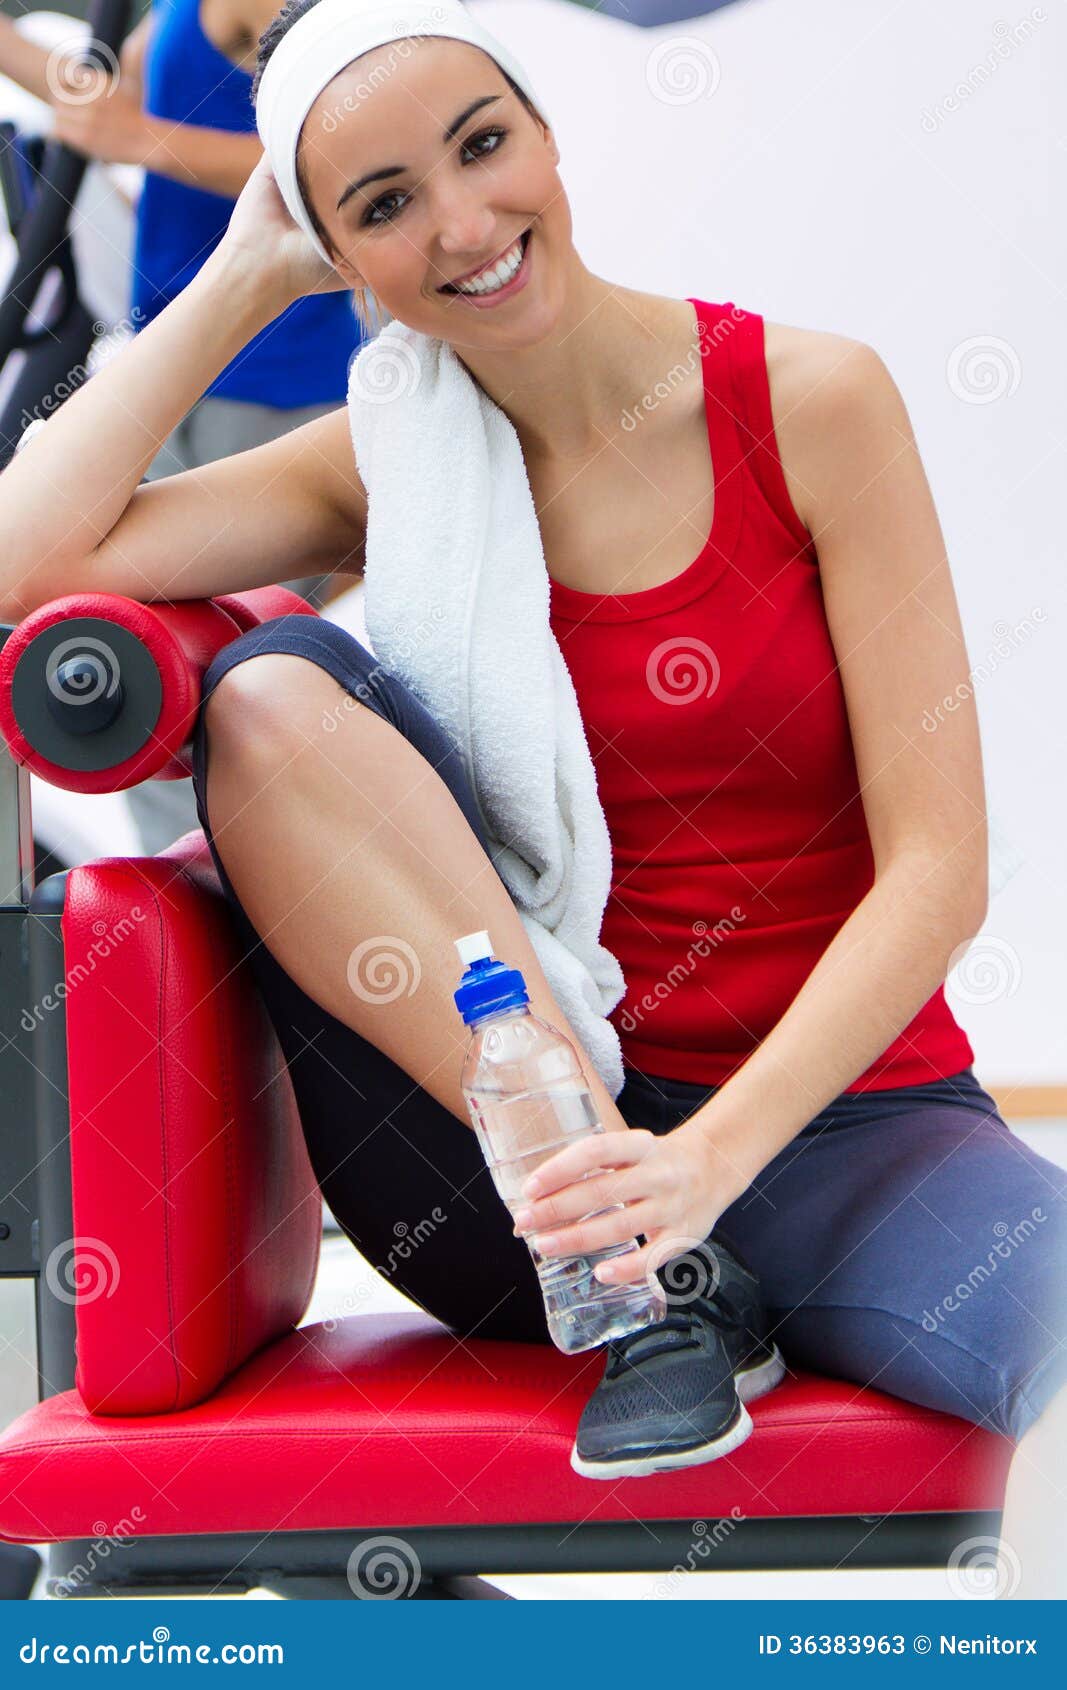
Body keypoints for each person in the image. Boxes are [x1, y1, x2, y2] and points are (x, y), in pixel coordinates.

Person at [0, 0, 1063, 1592]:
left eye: (481, 147)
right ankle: (650, 1275)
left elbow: (939, 870)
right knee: (270, 697)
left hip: (848, 1129)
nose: (461, 225)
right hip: (531, 1183)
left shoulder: (813, 400)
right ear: (335, 256)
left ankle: (691, 1253)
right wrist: (232, 281)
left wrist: (702, 1165)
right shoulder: (387, 461)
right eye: (379, 207)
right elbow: (24, 561)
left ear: (547, 136)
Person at [0, 0, 367, 851]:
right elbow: (93, 104)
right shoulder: (173, 11)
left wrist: (141, 140)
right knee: (112, 636)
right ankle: (179, 887)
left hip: (271, 382)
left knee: (184, 681)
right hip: (173, 374)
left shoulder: (259, 7)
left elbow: (330, 149)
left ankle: (217, 894)